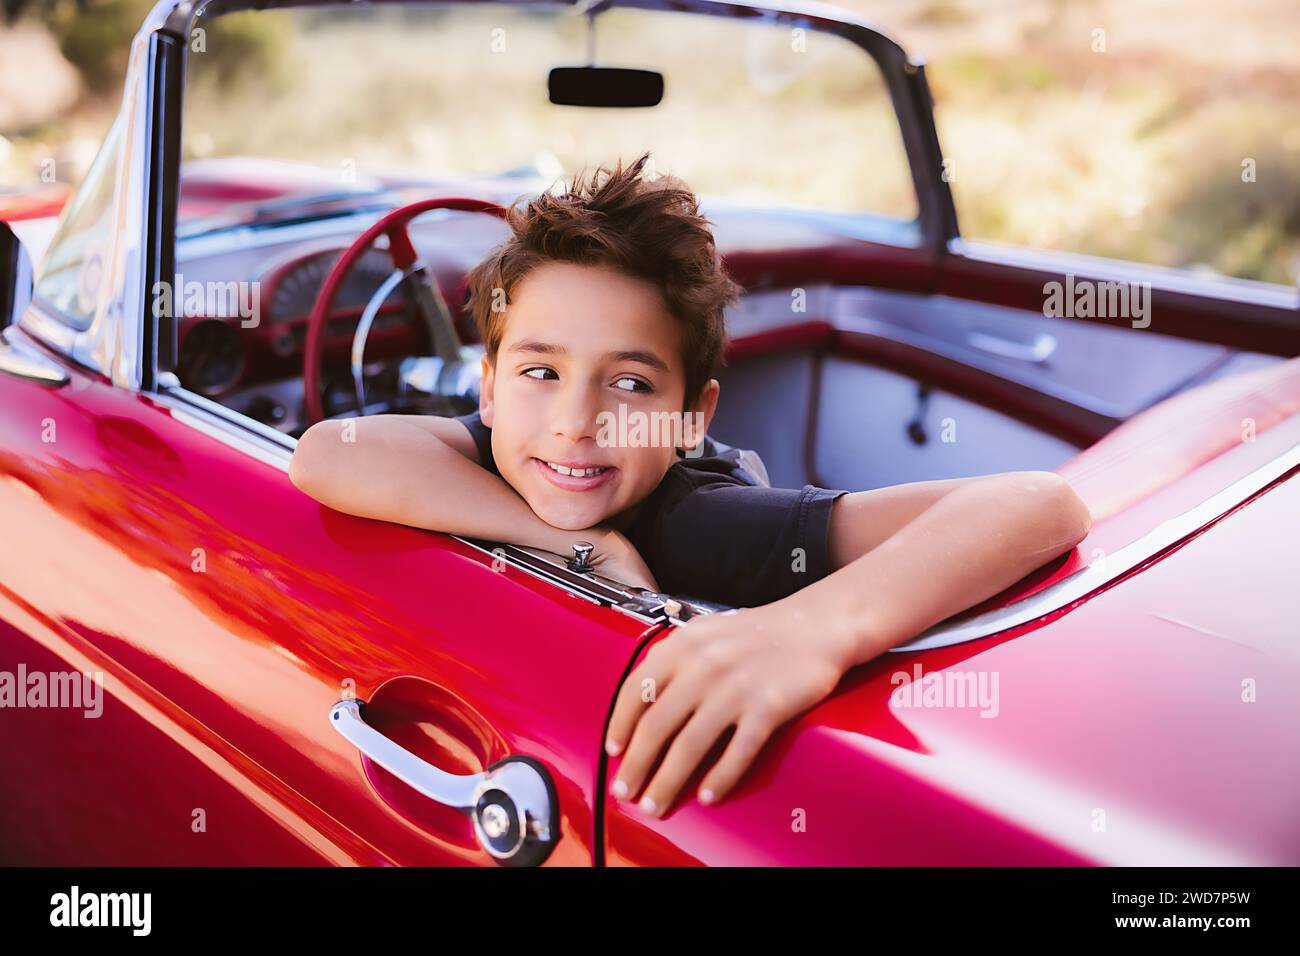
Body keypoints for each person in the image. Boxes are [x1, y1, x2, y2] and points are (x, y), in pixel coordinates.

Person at [289, 151, 1092, 818]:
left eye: (630, 384)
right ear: (489, 387)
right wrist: (577, 544)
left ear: (691, 417)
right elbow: (325, 452)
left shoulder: (702, 523)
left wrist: (811, 630)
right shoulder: (507, 453)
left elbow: (1039, 502)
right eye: (542, 371)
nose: (575, 423)